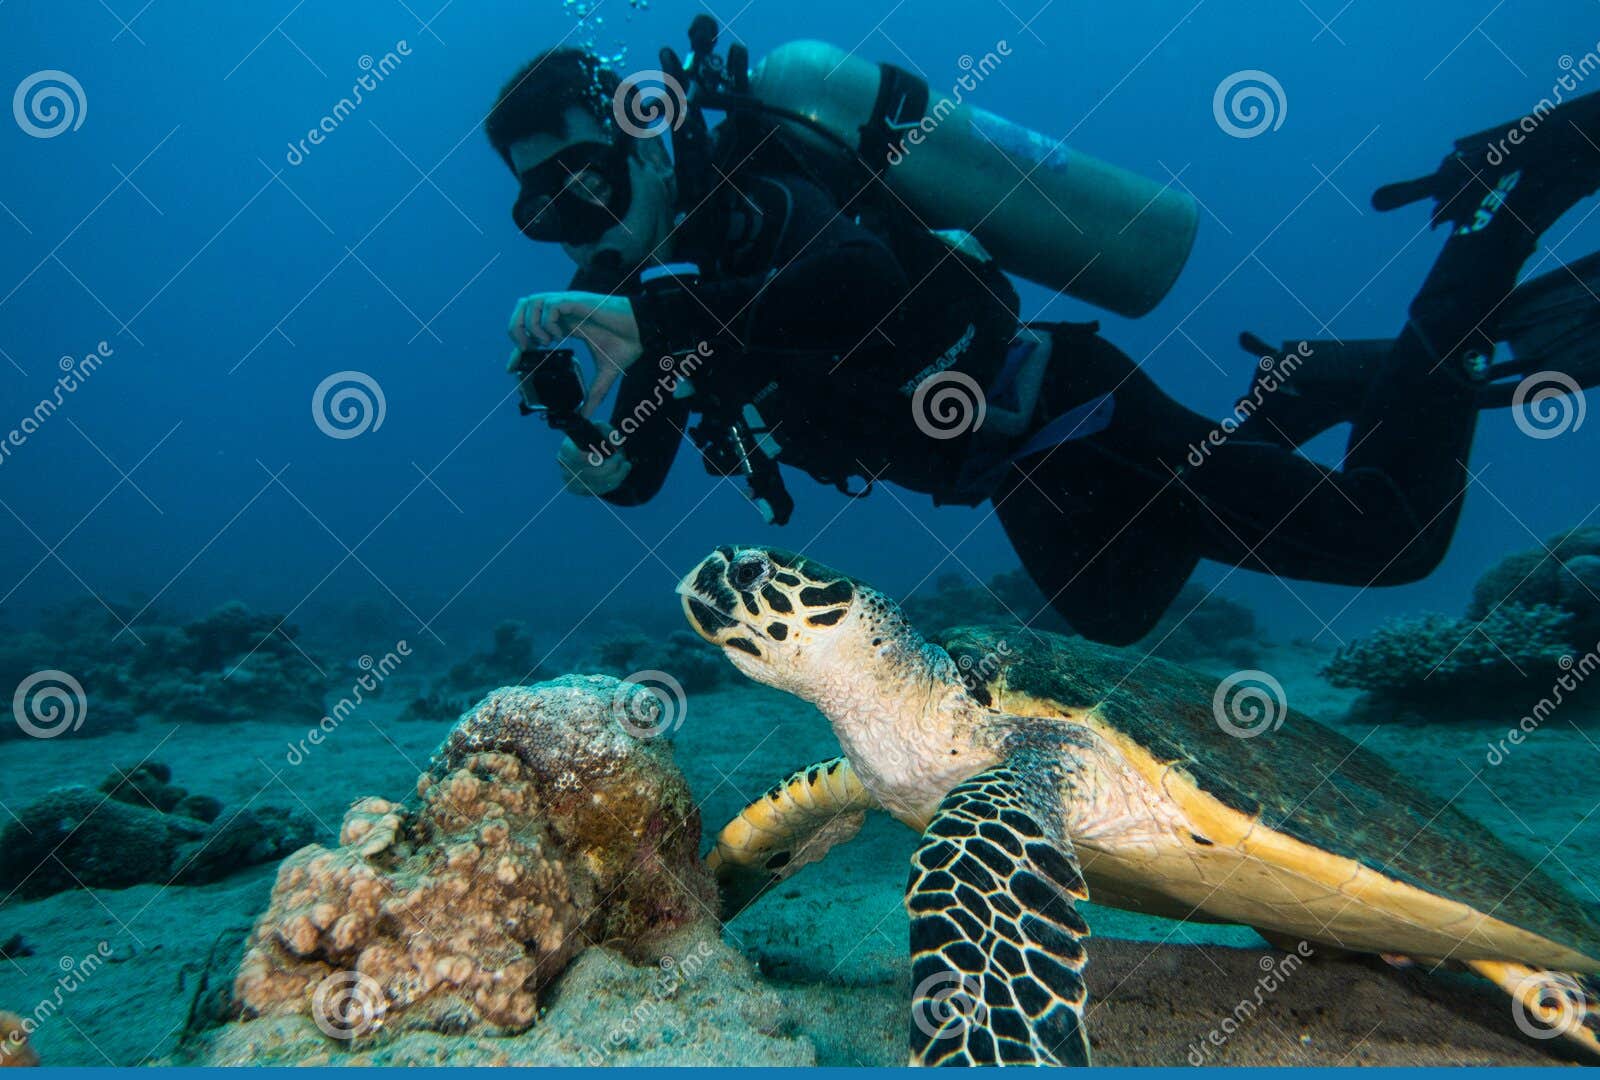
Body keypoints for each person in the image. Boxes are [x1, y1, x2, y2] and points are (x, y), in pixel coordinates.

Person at [487, 46, 1600, 645]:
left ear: (636, 135)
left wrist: (659, 321)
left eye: (579, 180)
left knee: (1387, 540)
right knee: (1116, 613)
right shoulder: (647, 290)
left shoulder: (754, 196)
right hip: (1013, 473)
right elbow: (644, 468)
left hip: (1071, 412)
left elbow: (865, 281)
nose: (577, 222)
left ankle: (1508, 197)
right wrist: (593, 443)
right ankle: (1307, 384)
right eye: (546, 213)